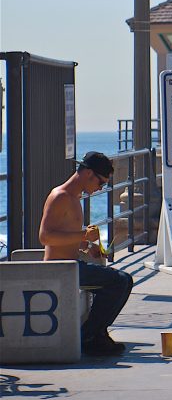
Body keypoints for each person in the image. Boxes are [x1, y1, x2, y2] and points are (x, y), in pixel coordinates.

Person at [39, 152, 132, 356]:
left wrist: (85, 244)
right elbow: (45, 236)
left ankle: (96, 333)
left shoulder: (74, 198)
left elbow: (62, 235)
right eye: (100, 183)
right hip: (59, 269)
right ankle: (90, 337)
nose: (100, 188)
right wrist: (83, 234)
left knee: (124, 280)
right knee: (119, 282)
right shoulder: (61, 196)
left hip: (70, 265)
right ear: (88, 173)